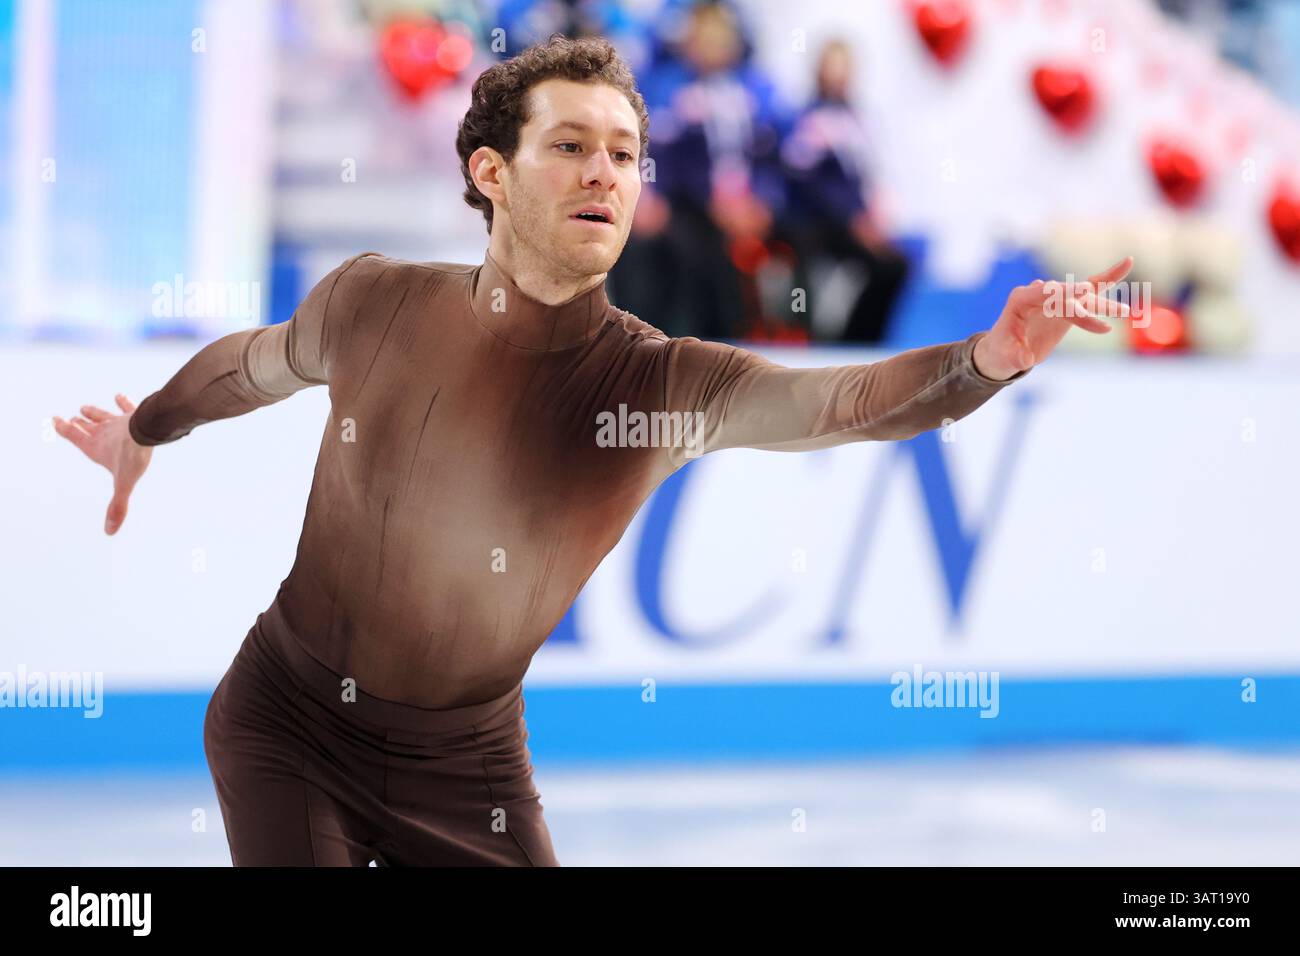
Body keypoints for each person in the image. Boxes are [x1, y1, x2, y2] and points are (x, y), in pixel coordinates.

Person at [52, 35, 1129, 867]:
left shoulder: (662, 384)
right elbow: (254, 363)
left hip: (468, 763)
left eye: (623, 154)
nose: (602, 174)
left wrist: (987, 356)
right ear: (491, 171)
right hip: (287, 719)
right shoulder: (374, 301)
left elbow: (841, 400)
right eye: (568, 146)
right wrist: (144, 429)